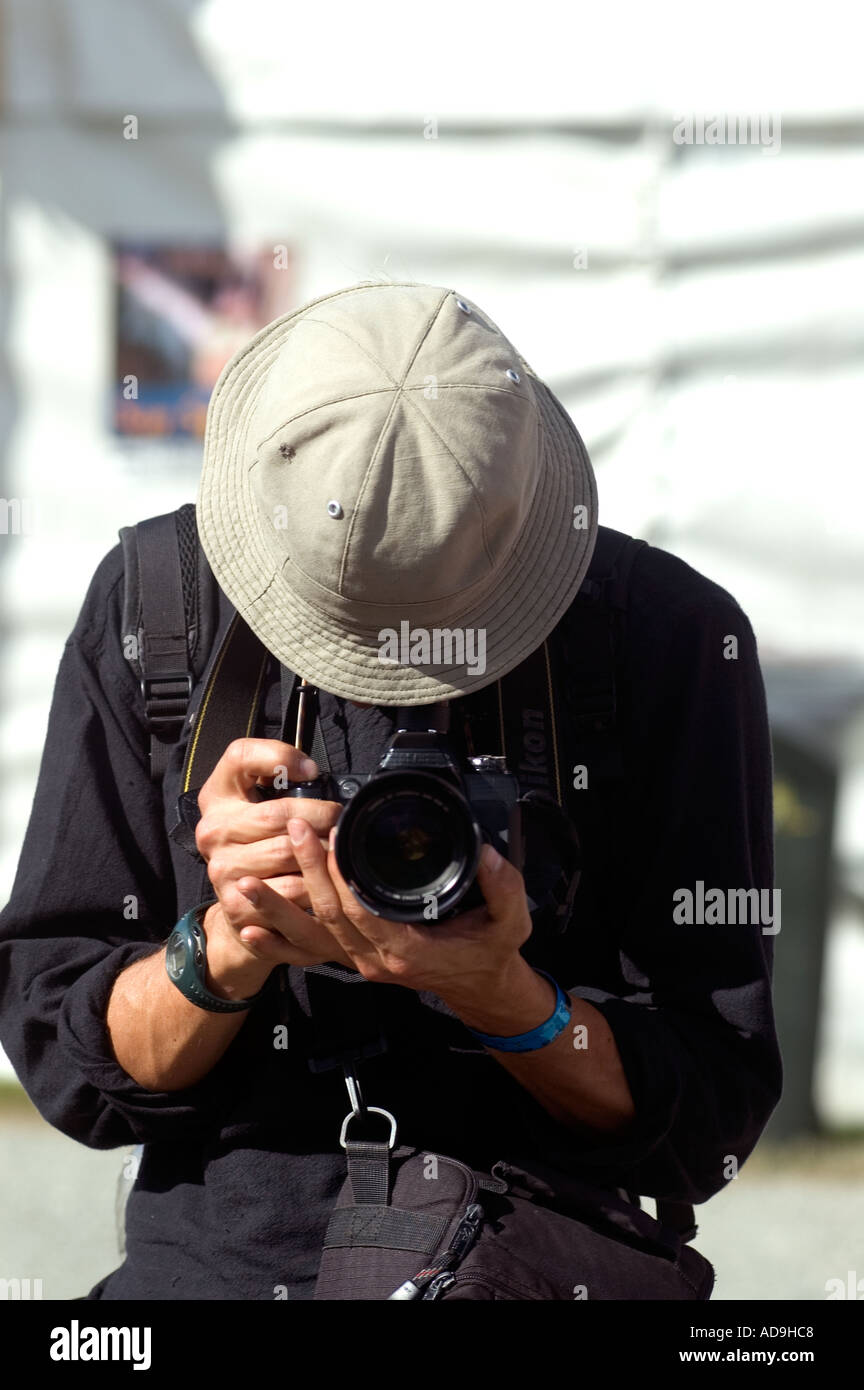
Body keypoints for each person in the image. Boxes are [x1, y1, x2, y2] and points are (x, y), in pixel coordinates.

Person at [0, 281, 782, 1300]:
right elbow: (67, 1060)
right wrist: (225, 945)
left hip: (528, 1260)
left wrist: (504, 996)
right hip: (221, 1263)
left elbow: (710, 1117)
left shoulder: (664, 641)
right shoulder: (164, 611)